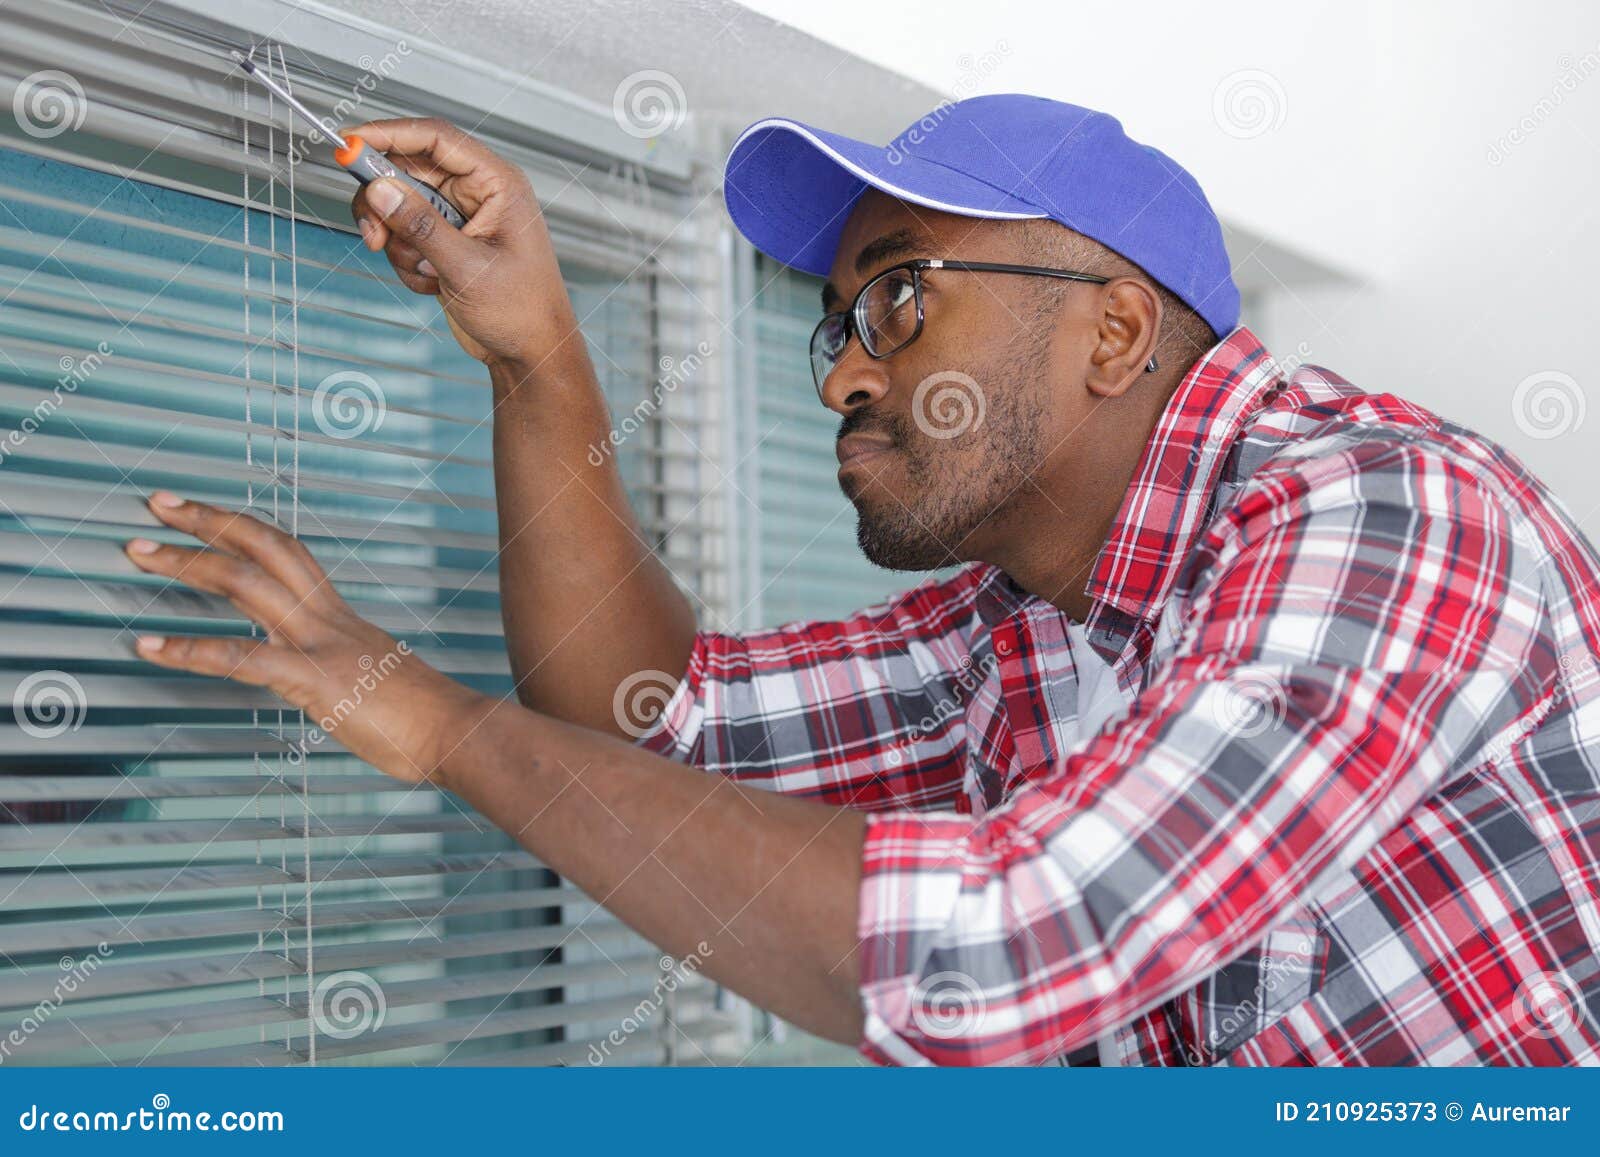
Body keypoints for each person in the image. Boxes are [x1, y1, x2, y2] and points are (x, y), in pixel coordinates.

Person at [123, 95, 1600, 1066]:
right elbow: (640, 722)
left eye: (900, 295)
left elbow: (1012, 945)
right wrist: (539, 360)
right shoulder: (1023, 621)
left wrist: (447, 732)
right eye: (838, 328)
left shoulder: (1389, 517)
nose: (849, 377)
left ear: (1114, 329)